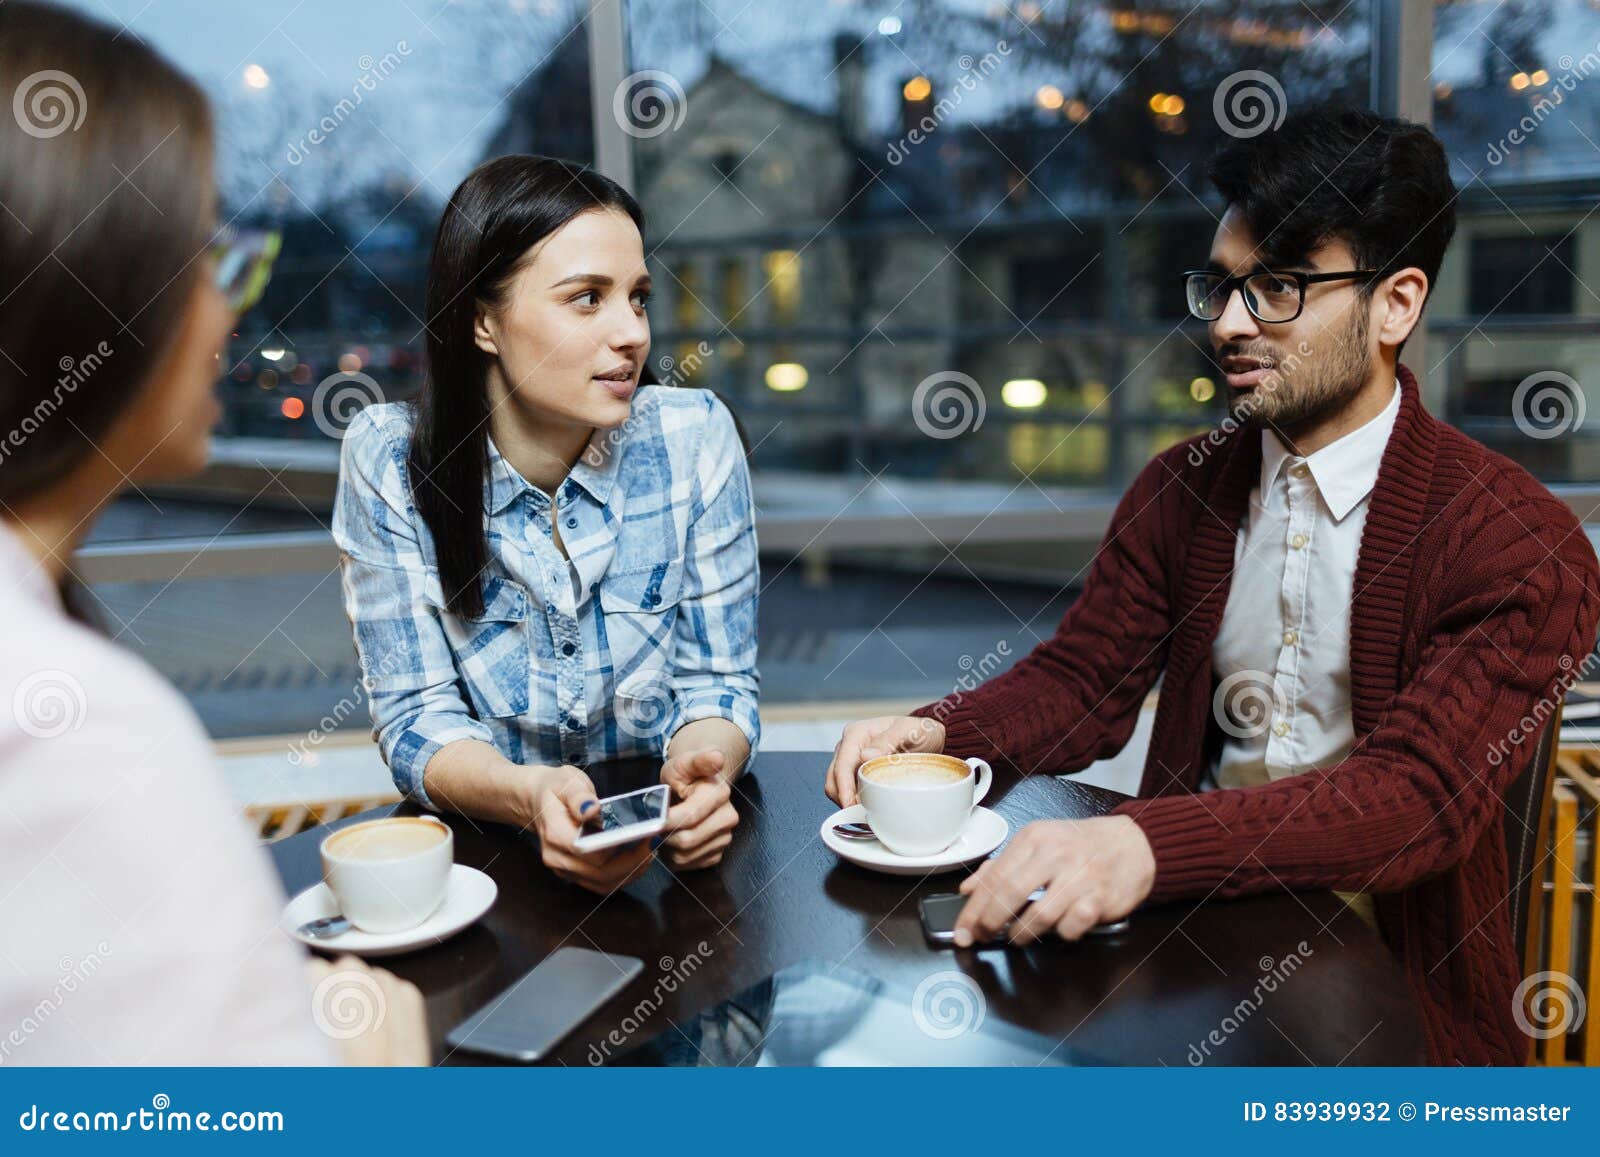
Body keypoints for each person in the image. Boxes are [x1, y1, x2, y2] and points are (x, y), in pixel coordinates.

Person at [825, 106, 1600, 1065]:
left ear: (1396, 304)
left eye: (1277, 287)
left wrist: (1149, 845)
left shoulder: (1519, 542)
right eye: (1222, 286)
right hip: (1186, 944)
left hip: (1392, 998)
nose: (1229, 323)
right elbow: (1084, 682)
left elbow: (1416, 797)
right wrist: (942, 732)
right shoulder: (1181, 489)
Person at [0, 0, 424, 1064]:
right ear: (88, 295)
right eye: (202, 253)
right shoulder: (79, 741)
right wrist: (375, 1060)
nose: (229, 305)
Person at [333, 156, 759, 894]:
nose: (632, 333)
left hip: (669, 857)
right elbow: (415, 718)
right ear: (482, 321)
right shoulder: (389, 460)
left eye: (638, 297)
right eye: (587, 299)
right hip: (489, 865)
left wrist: (705, 766)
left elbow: (717, 682)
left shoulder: (694, 437)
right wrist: (527, 797)